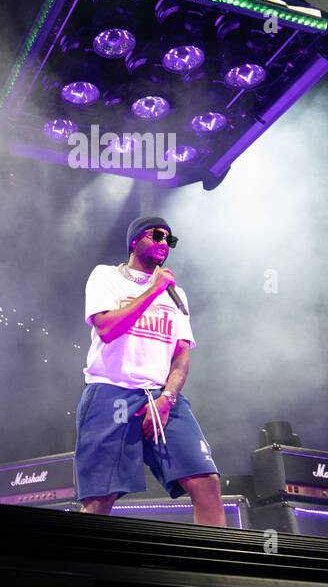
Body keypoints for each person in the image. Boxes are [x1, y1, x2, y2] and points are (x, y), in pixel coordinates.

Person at [72, 214, 225, 526]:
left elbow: (181, 357)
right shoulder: (106, 277)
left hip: (160, 397)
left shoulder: (177, 295)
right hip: (110, 392)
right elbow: (106, 328)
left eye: (169, 239)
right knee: (100, 499)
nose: (163, 243)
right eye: (156, 235)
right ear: (134, 240)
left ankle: (212, 570)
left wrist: (168, 399)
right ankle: (82, 570)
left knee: (207, 482)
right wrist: (154, 290)